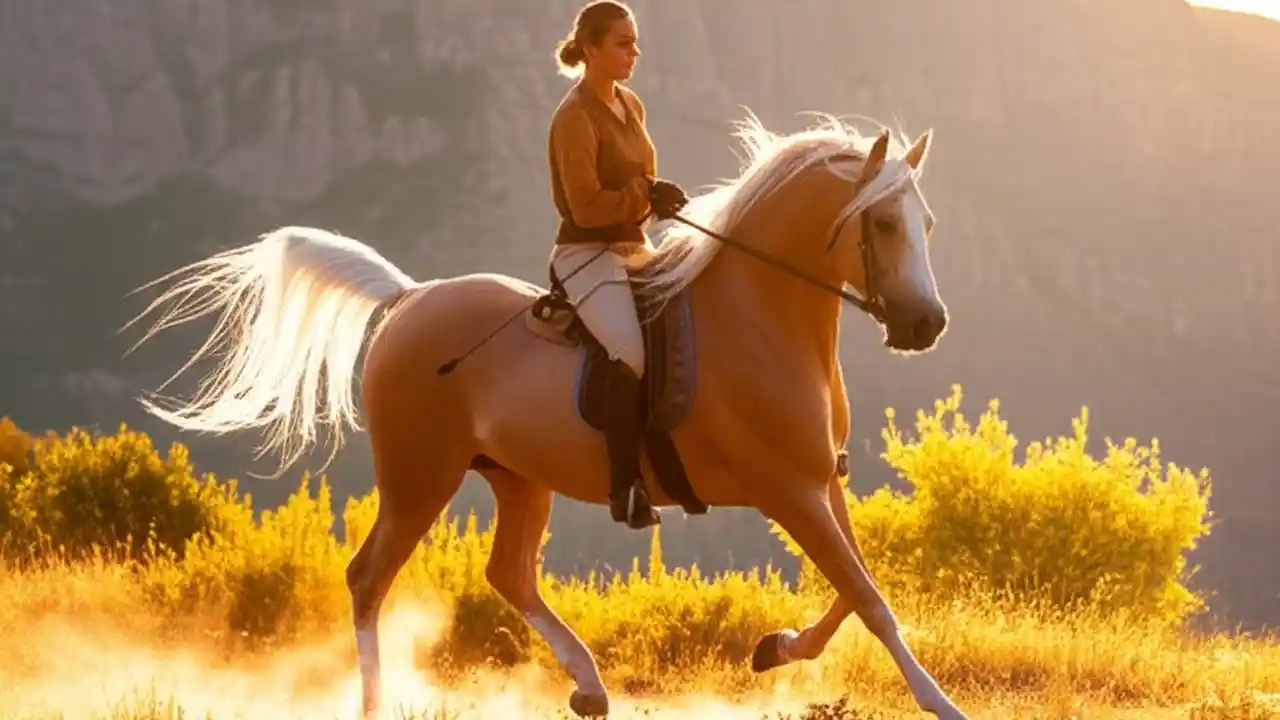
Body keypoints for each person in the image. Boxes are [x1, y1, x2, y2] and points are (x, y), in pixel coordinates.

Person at [547, 0, 688, 529]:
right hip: (586, 255)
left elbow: (637, 185)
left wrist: (657, 197)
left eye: (635, 41)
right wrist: (642, 193)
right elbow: (586, 207)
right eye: (622, 43)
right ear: (590, 50)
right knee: (629, 353)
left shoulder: (631, 105)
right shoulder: (574, 119)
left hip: (631, 248)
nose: (635, 52)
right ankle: (623, 488)